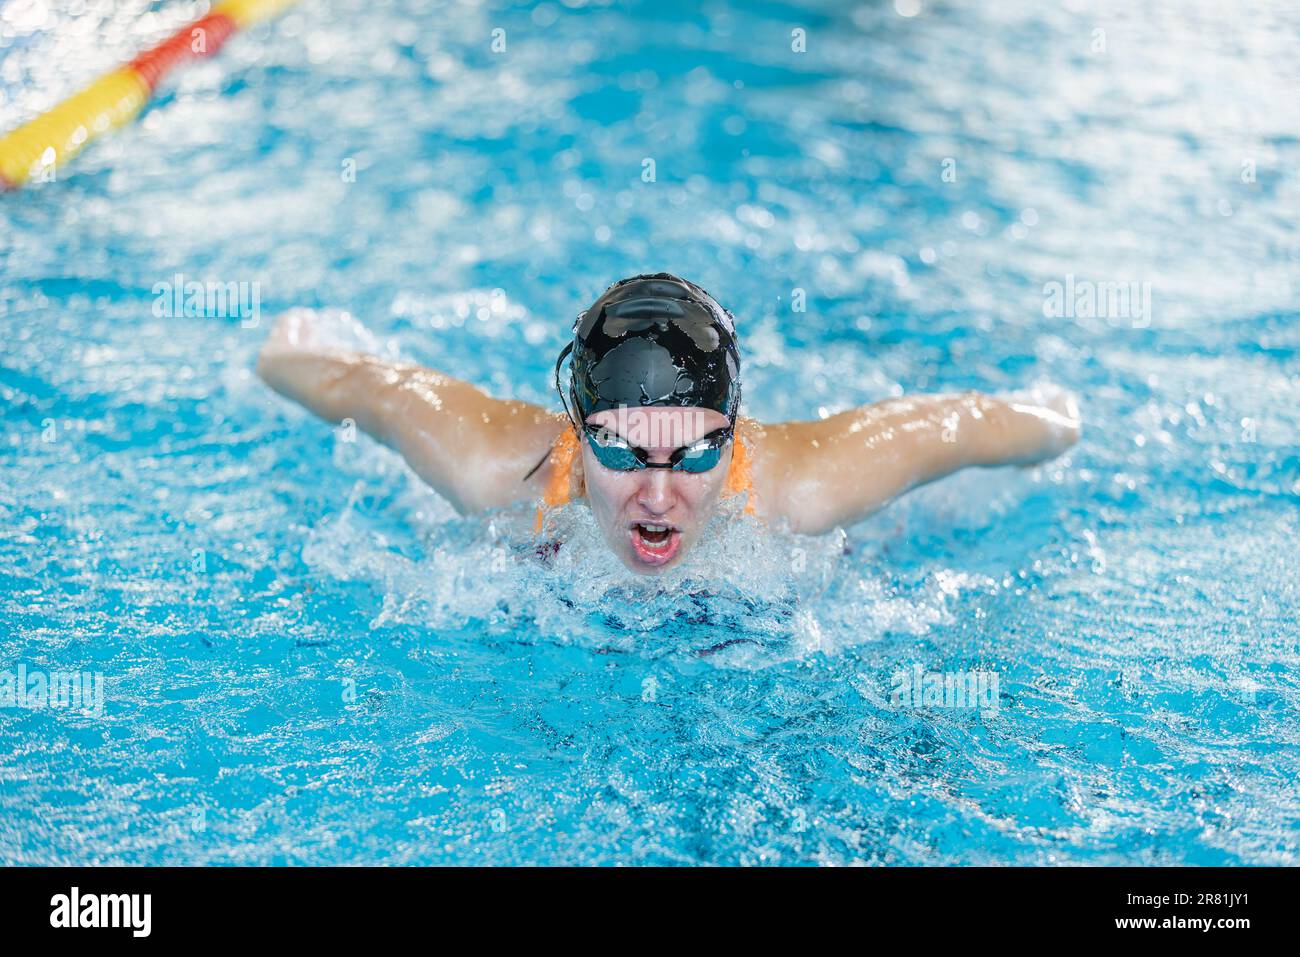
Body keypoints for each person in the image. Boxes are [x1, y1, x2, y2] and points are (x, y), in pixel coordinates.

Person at [257, 273, 1081, 574]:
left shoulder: (805, 484)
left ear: (734, 433)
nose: (659, 493)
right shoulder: (491, 467)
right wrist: (283, 352)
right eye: (622, 448)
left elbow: (957, 425)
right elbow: (367, 388)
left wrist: (1055, 421)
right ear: (577, 434)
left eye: (695, 453)